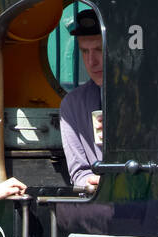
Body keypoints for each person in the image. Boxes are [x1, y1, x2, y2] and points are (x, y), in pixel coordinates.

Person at [59, 8, 104, 193]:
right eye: (85, 51)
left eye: (99, 50)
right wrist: (91, 182)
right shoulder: (72, 105)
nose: (91, 62)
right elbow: (79, 173)